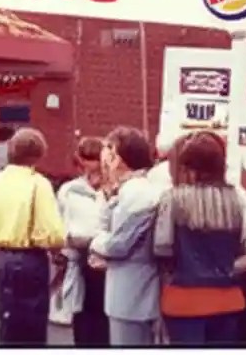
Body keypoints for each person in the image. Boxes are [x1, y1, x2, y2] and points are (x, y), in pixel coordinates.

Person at [154, 131, 246, 345]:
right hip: (228, 300)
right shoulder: (238, 198)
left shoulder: (173, 199)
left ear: (189, 168)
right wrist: (231, 266)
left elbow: (162, 247)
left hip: (183, 301)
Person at [0, 127, 66, 346]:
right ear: (39, 154)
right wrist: (58, 251)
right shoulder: (38, 184)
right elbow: (52, 232)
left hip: (4, 260)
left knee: (7, 321)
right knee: (32, 328)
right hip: (31, 259)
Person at [89, 126, 160, 346]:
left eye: (108, 151)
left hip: (131, 296)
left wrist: (96, 241)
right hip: (136, 292)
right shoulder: (138, 189)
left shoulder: (136, 193)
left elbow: (118, 245)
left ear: (118, 158)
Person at [55, 136, 108, 346]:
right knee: (82, 315)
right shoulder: (69, 190)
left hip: (105, 259)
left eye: (95, 160)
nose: (90, 166)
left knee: (103, 318)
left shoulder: (114, 189)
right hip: (77, 257)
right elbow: (59, 221)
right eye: (86, 160)